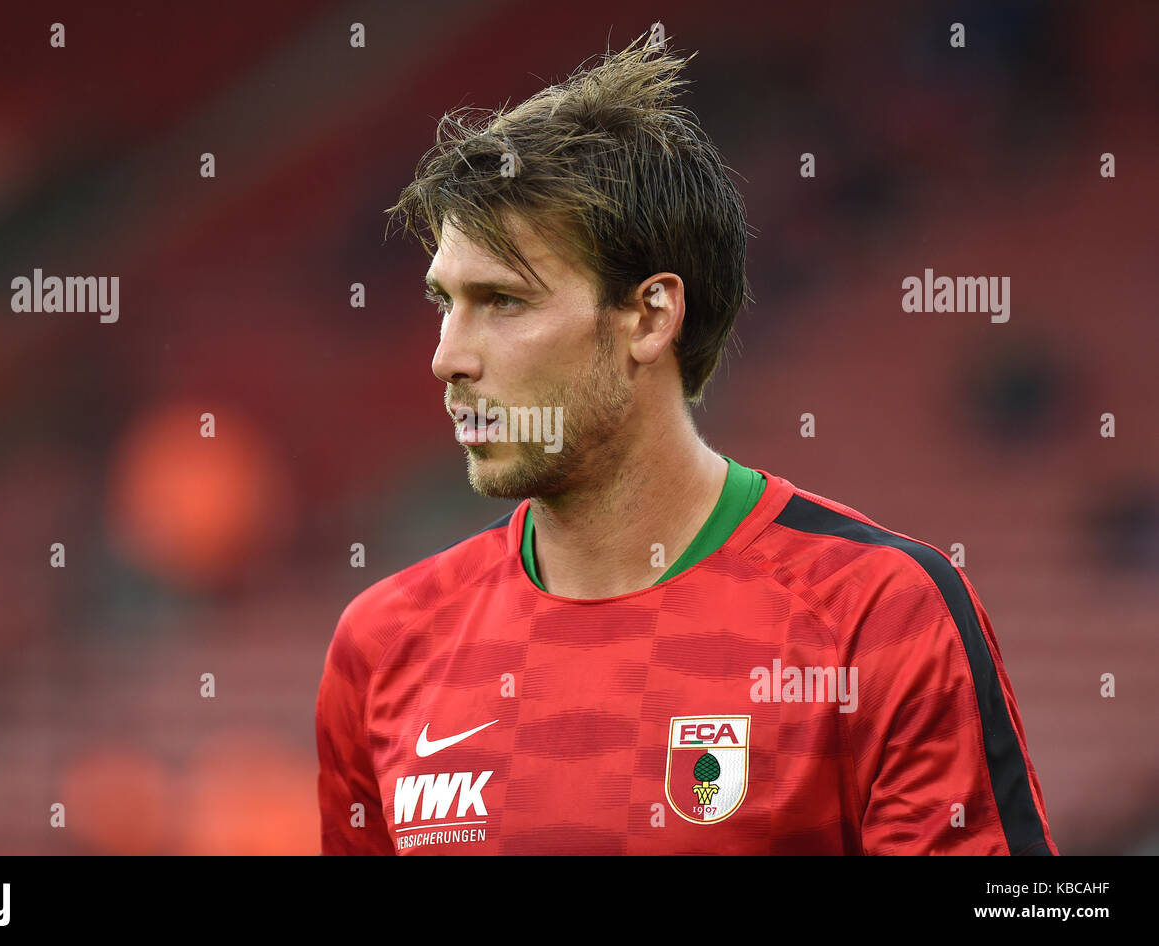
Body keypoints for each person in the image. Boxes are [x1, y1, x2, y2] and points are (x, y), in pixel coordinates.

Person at [316, 34, 1057, 855]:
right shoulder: (383, 645)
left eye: (501, 301)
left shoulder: (877, 616)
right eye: (443, 302)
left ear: (649, 316)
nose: (447, 355)